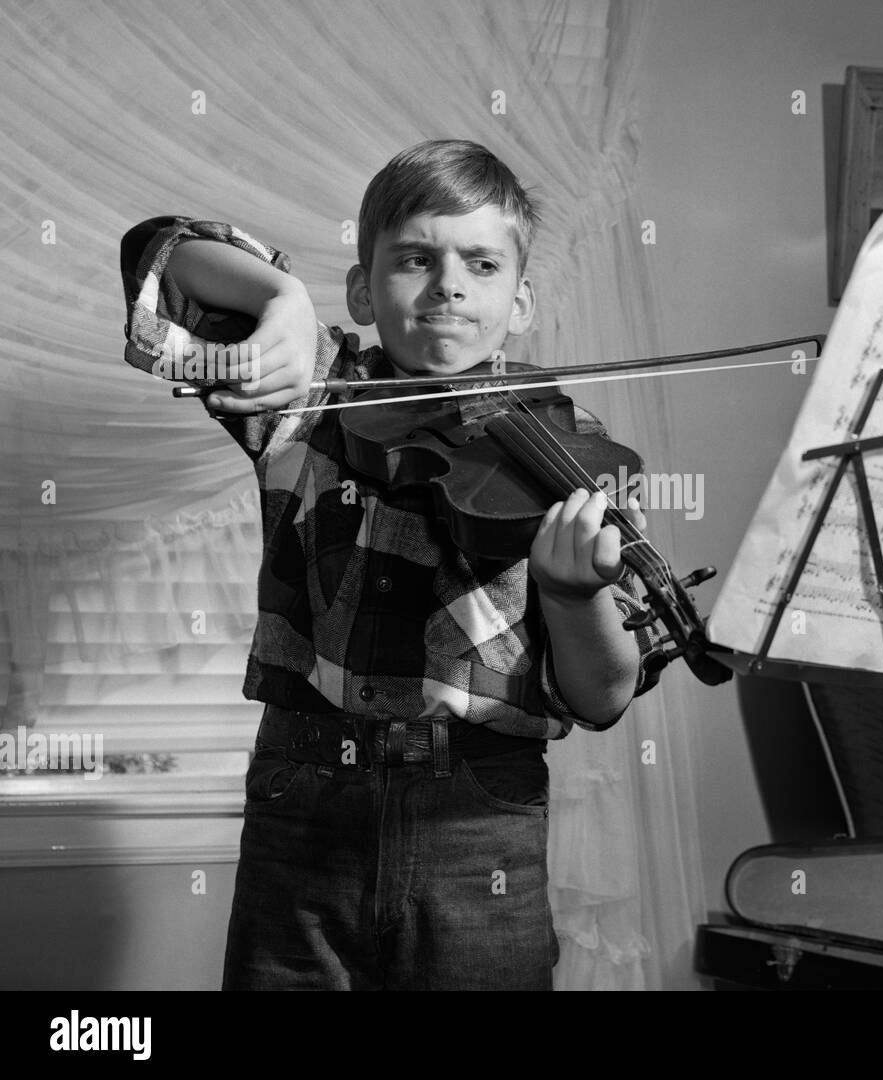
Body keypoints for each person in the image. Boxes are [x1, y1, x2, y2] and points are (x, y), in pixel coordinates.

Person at [119, 139, 664, 990]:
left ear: (519, 301)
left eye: (481, 264)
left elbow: (602, 697)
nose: (448, 284)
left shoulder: (573, 457)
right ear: (364, 291)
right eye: (414, 259)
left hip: (479, 821)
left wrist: (571, 591)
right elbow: (161, 253)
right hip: (303, 805)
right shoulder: (312, 393)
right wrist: (281, 297)